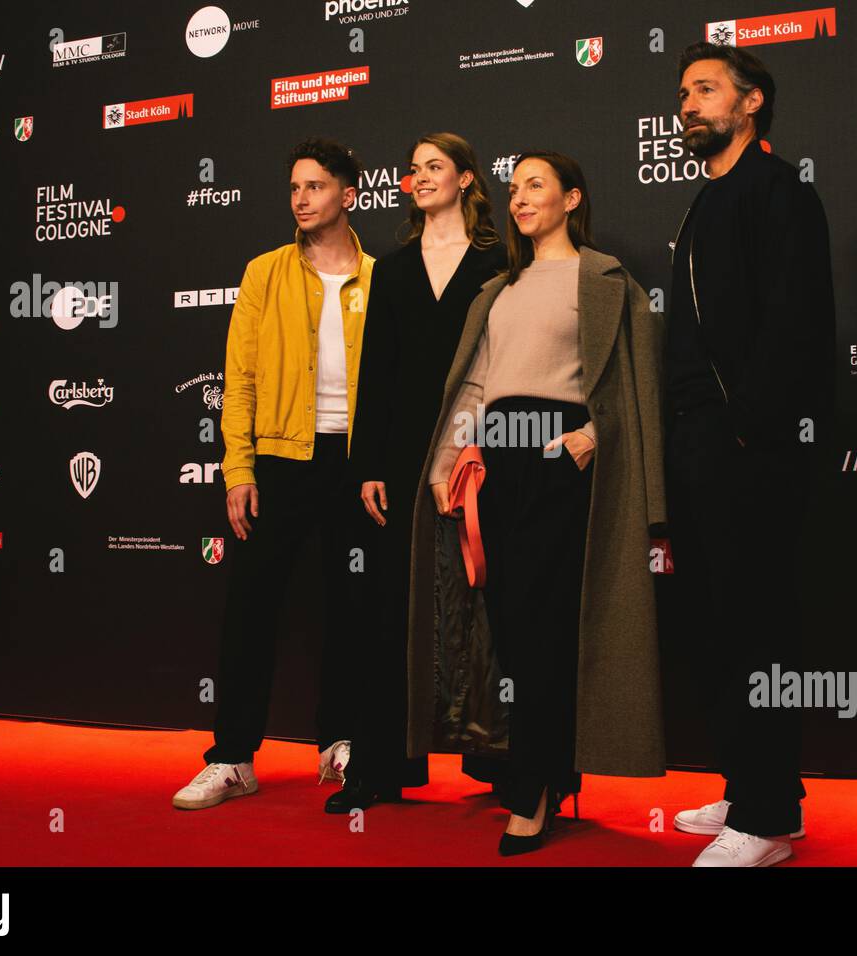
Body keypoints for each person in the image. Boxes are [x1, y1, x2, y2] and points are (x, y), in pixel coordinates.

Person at [408, 150, 668, 855]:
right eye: (514, 187)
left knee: (551, 628)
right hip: (497, 465)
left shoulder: (606, 280)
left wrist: (590, 435)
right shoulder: (499, 290)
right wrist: (443, 460)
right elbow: (472, 386)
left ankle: (533, 788)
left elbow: (634, 388)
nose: (519, 198)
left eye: (535, 186)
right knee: (512, 628)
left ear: (572, 198)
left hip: (559, 464)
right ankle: (545, 773)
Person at [664, 42, 836, 866]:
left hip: (753, 448)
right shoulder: (706, 200)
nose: (688, 104)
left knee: (759, 625)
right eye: (684, 93)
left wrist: (744, 428)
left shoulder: (781, 190)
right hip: (701, 444)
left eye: (705, 90)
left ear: (752, 101)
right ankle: (755, 789)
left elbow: (795, 326)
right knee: (720, 624)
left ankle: (764, 821)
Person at [171, 137, 375, 810]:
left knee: (351, 610)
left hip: (354, 463)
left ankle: (341, 746)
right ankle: (232, 757)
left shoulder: (382, 277)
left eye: (314, 186)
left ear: (349, 195)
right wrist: (238, 471)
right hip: (281, 463)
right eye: (293, 187)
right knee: (250, 611)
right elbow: (241, 380)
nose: (300, 198)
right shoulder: (264, 272)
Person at [327, 133, 508, 813]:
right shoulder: (395, 268)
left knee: (487, 600)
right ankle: (381, 768)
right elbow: (375, 373)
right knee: (390, 608)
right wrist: (369, 463)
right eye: (412, 170)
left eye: (435, 167)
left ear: (466, 178)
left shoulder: (498, 259)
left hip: (481, 448)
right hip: (402, 454)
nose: (420, 177)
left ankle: (502, 764)